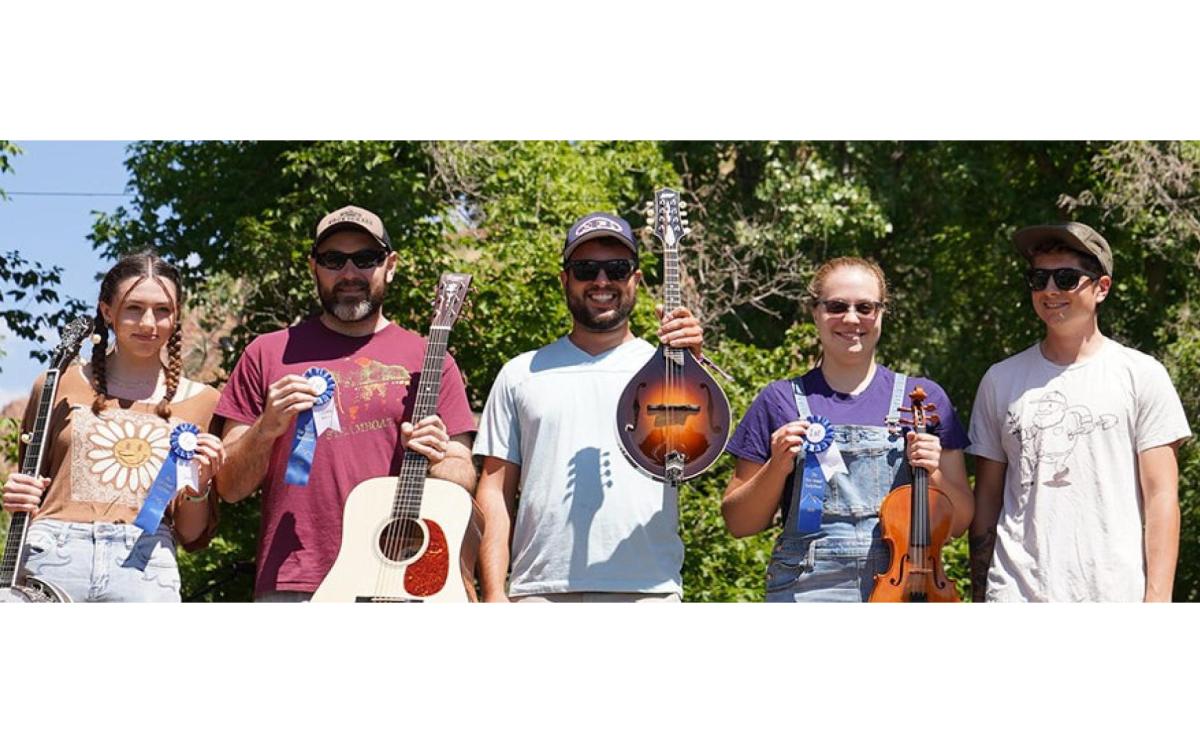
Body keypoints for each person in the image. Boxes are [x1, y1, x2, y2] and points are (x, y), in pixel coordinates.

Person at [214, 205, 477, 601]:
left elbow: (464, 479)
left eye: (365, 259)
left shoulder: (430, 358)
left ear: (390, 265)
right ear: (313, 268)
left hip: (399, 577)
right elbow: (230, 487)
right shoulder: (266, 353)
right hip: (295, 581)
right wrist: (266, 429)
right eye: (334, 260)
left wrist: (439, 457)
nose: (349, 273)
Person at [473, 211, 705, 602]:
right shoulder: (520, 374)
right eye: (585, 269)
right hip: (538, 592)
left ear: (636, 278)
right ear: (565, 279)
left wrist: (692, 373)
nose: (601, 281)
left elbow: (690, 461)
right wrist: (494, 594)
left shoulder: (670, 369)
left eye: (616, 268)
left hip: (648, 591)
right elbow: (494, 491)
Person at [722, 256, 973, 602]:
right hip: (805, 589)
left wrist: (935, 476)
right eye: (837, 306)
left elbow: (959, 524)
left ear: (881, 313)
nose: (851, 319)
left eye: (865, 307)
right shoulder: (778, 399)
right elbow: (739, 523)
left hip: (908, 588)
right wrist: (776, 466)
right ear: (815, 312)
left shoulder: (925, 398)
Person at [967, 222, 1191, 602]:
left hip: (1113, 595)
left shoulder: (1142, 374)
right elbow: (987, 497)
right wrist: (979, 592)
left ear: (1101, 288)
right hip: (1015, 595)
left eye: (1067, 278)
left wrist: (1158, 603)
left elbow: (1162, 498)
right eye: (1039, 279)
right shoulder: (999, 380)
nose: (1050, 290)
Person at [2, 251, 224, 602]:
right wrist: (19, 493)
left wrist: (200, 486)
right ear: (107, 311)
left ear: (177, 316)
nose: (149, 323)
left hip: (147, 566)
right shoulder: (55, 384)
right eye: (134, 308)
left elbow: (190, 531)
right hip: (51, 559)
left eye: (162, 310)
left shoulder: (205, 402)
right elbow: (31, 483)